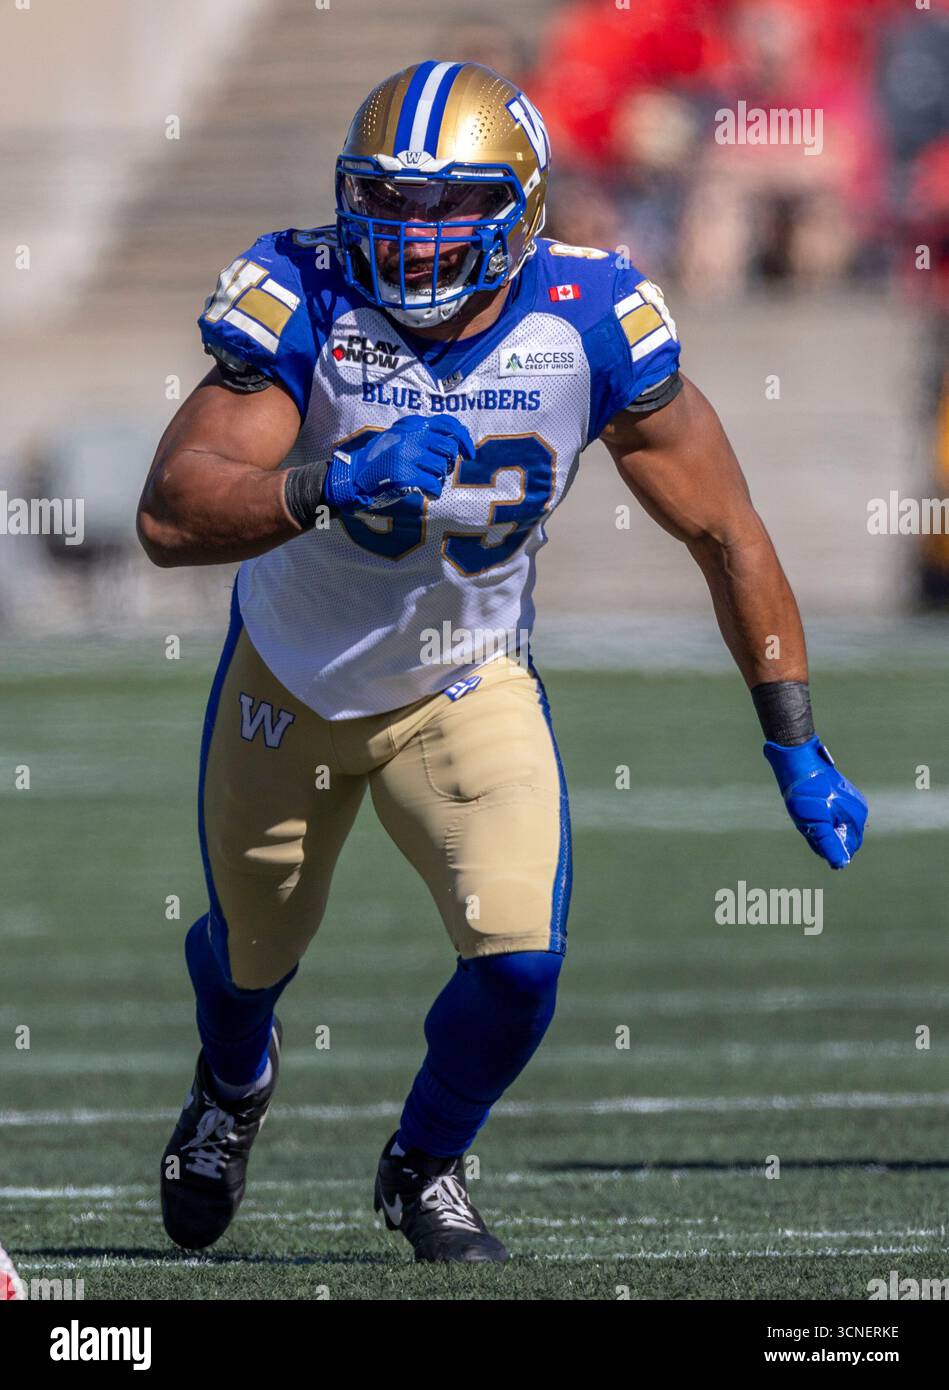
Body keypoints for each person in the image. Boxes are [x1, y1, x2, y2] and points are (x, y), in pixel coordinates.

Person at [137, 61, 868, 1263]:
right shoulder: (302, 292)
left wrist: (792, 737)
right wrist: (322, 484)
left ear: (520, 207)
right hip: (292, 673)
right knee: (250, 958)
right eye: (384, 201)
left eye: (444, 206)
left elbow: (724, 526)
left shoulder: (589, 314)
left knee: (520, 965)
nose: (407, 236)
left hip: (465, 677)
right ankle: (230, 1086)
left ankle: (425, 1162)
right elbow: (170, 515)